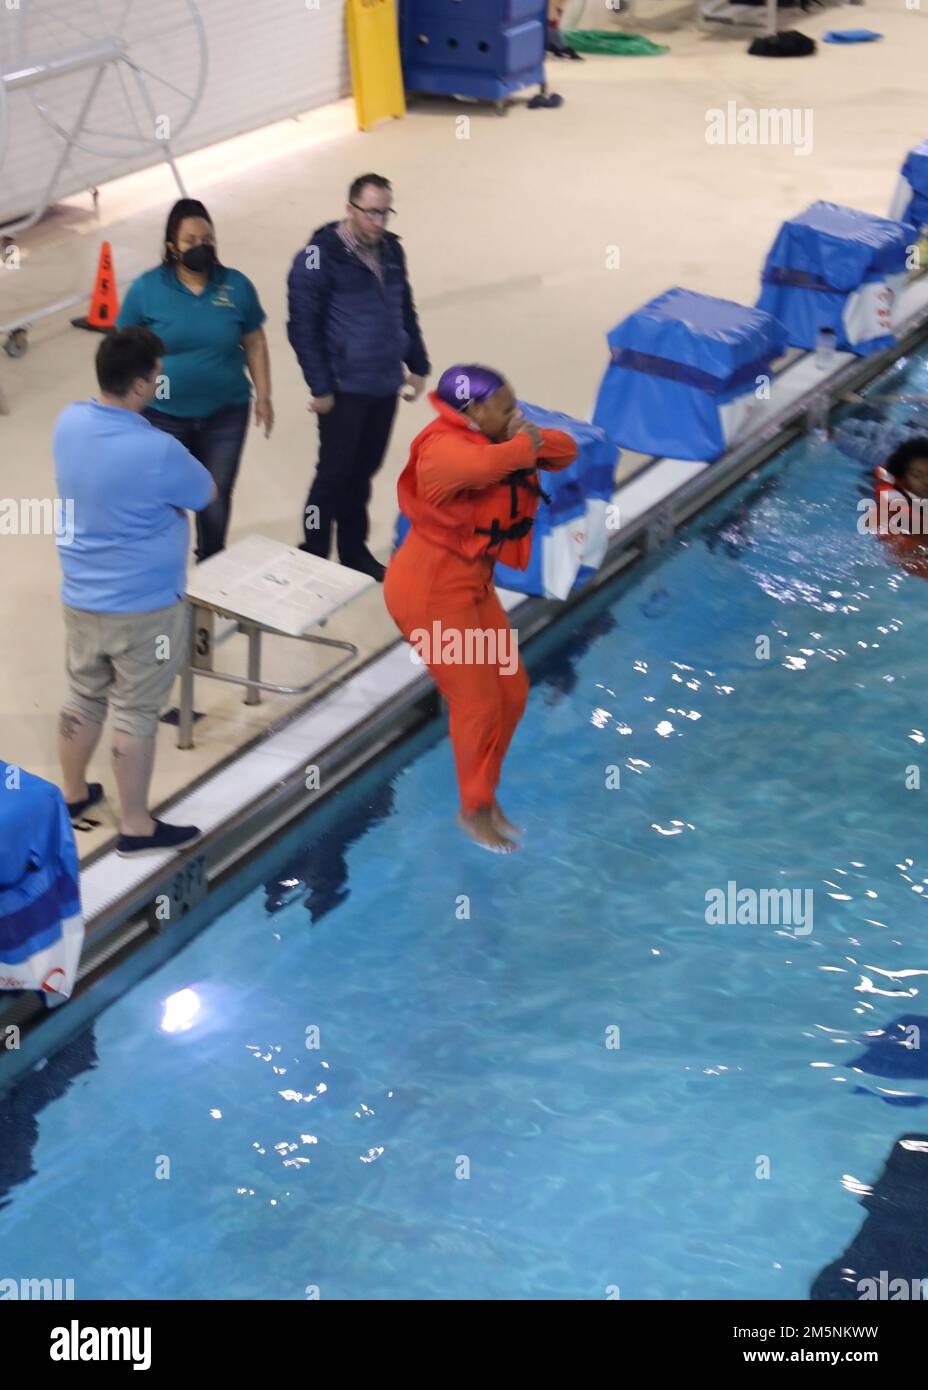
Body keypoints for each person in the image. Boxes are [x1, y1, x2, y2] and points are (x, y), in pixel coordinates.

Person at [384, 365, 577, 852]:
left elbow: (565, 450)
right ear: (474, 409)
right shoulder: (441, 449)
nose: (517, 413)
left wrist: (525, 436)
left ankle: (484, 797)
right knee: (477, 703)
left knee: (512, 689)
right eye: (507, 407)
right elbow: (483, 469)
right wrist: (523, 441)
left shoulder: (502, 435)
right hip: (428, 592)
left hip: (471, 585)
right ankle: (473, 810)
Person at [53, 327, 215, 857]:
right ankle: (136, 825)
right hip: (144, 608)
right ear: (143, 385)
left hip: (81, 595)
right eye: (157, 376)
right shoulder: (157, 449)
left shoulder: (68, 423)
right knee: (136, 713)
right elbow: (205, 492)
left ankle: (72, 794)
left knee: (83, 695)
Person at [286, 173, 430, 582]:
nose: (378, 222)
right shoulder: (317, 257)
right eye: (370, 213)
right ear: (349, 209)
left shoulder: (392, 251)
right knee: (332, 475)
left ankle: (353, 550)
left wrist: (417, 363)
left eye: (385, 212)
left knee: (363, 472)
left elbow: (404, 309)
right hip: (344, 388)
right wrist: (321, 387)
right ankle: (313, 548)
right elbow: (302, 327)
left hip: (383, 383)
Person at [116, 198, 271, 562]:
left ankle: (211, 563)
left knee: (215, 494)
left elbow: (254, 342)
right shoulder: (147, 289)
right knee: (163, 497)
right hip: (163, 415)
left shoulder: (236, 286)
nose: (201, 247)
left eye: (207, 239)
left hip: (226, 412)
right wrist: (125, 405)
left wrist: (264, 395)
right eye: (190, 240)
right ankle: (163, 567)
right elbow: (122, 347)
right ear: (172, 246)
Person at [873, 437, 928, 578]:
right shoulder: (889, 512)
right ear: (903, 479)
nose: (926, 482)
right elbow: (898, 556)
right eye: (917, 476)